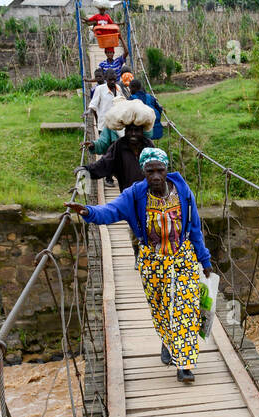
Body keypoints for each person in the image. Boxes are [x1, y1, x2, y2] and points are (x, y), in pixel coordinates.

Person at [68, 149, 214, 384]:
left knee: (185, 309)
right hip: (153, 262)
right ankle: (168, 341)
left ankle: (184, 365)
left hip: (183, 258)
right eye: (150, 171)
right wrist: (88, 211)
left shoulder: (183, 191)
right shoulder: (135, 195)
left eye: (160, 170)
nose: (156, 176)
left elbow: (195, 227)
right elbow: (111, 210)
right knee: (162, 309)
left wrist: (204, 260)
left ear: (167, 170)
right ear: (143, 172)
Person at [77, 103, 155, 193]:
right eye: (130, 130)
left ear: (142, 131)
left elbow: (158, 168)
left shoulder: (148, 145)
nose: (133, 133)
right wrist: (87, 169)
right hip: (128, 194)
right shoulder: (119, 145)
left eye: (137, 130)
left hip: (148, 193)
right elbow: (105, 163)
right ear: (125, 131)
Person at [87, 69, 119, 137]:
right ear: (106, 79)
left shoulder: (119, 88)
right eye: (110, 80)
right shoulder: (99, 89)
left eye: (114, 80)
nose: (112, 82)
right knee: (104, 145)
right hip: (104, 124)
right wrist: (89, 110)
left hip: (117, 124)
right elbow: (94, 103)